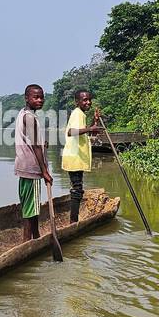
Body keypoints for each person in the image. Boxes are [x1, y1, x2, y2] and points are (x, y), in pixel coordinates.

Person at [14, 84, 52, 242]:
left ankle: (36, 237)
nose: (40, 100)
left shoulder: (23, 114)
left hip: (23, 167)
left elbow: (34, 142)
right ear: (26, 98)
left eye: (42, 97)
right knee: (31, 210)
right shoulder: (30, 117)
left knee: (31, 208)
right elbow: (35, 146)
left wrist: (43, 145)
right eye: (35, 97)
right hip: (33, 169)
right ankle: (26, 243)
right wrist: (44, 171)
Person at [60, 89, 102, 222]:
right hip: (74, 158)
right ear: (77, 102)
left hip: (76, 157)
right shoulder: (77, 113)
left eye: (89, 99)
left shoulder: (81, 114)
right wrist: (90, 129)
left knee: (77, 189)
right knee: (77, 190)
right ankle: (73, 221)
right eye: (84, 100)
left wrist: (94, 122)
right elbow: (71, 132)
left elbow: (84, 133)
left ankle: (74, 220)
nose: (88, 102)